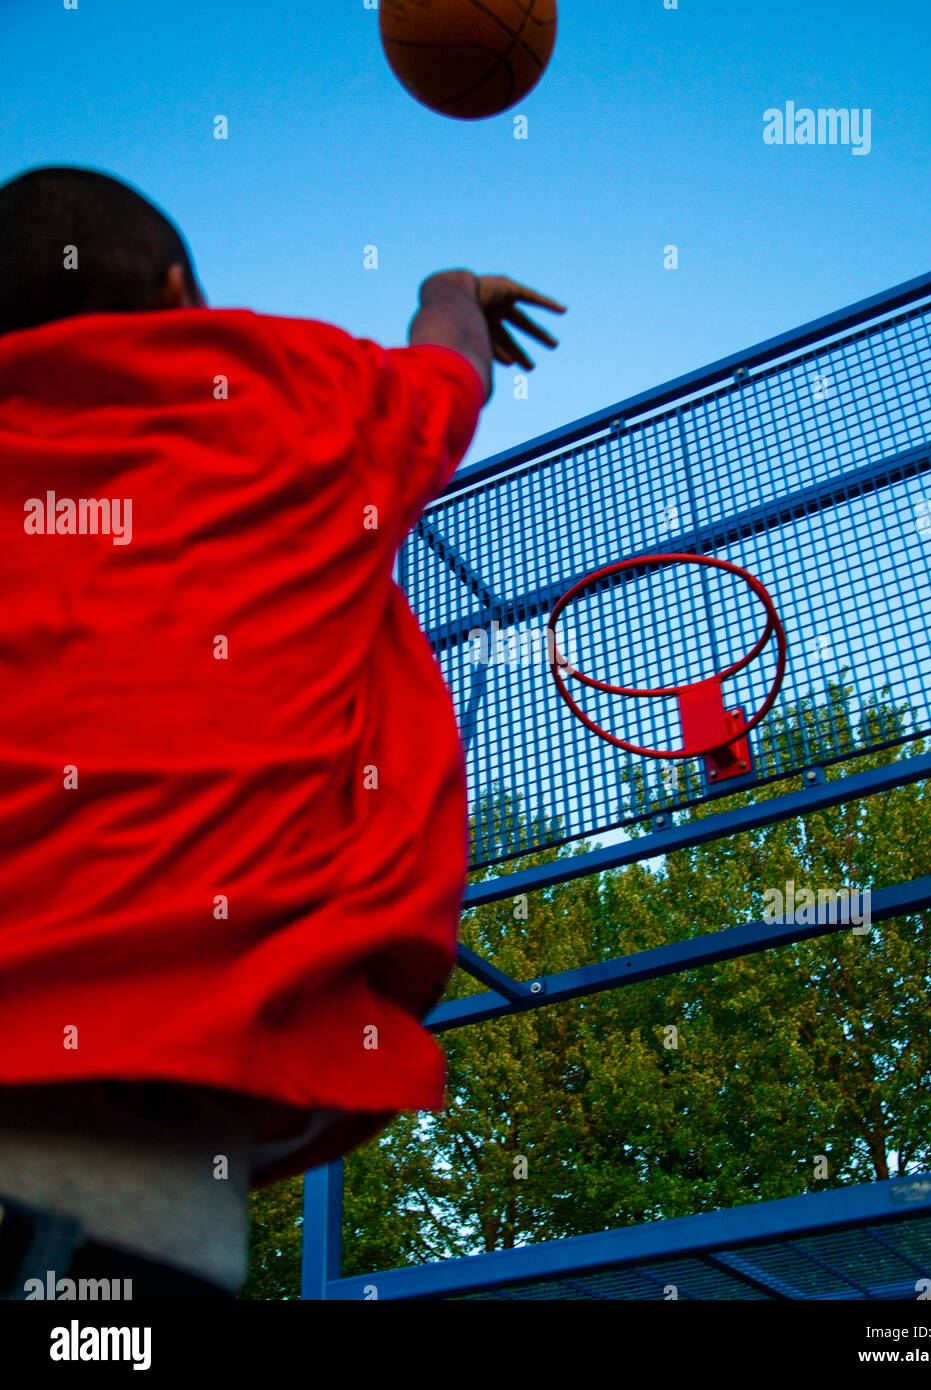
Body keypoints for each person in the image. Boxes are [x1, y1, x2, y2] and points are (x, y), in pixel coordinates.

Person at [0, 165, 565, 1299]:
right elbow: (449, 355)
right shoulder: (303, 394)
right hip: (123, 1172)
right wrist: (449, 284)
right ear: (175, 292)